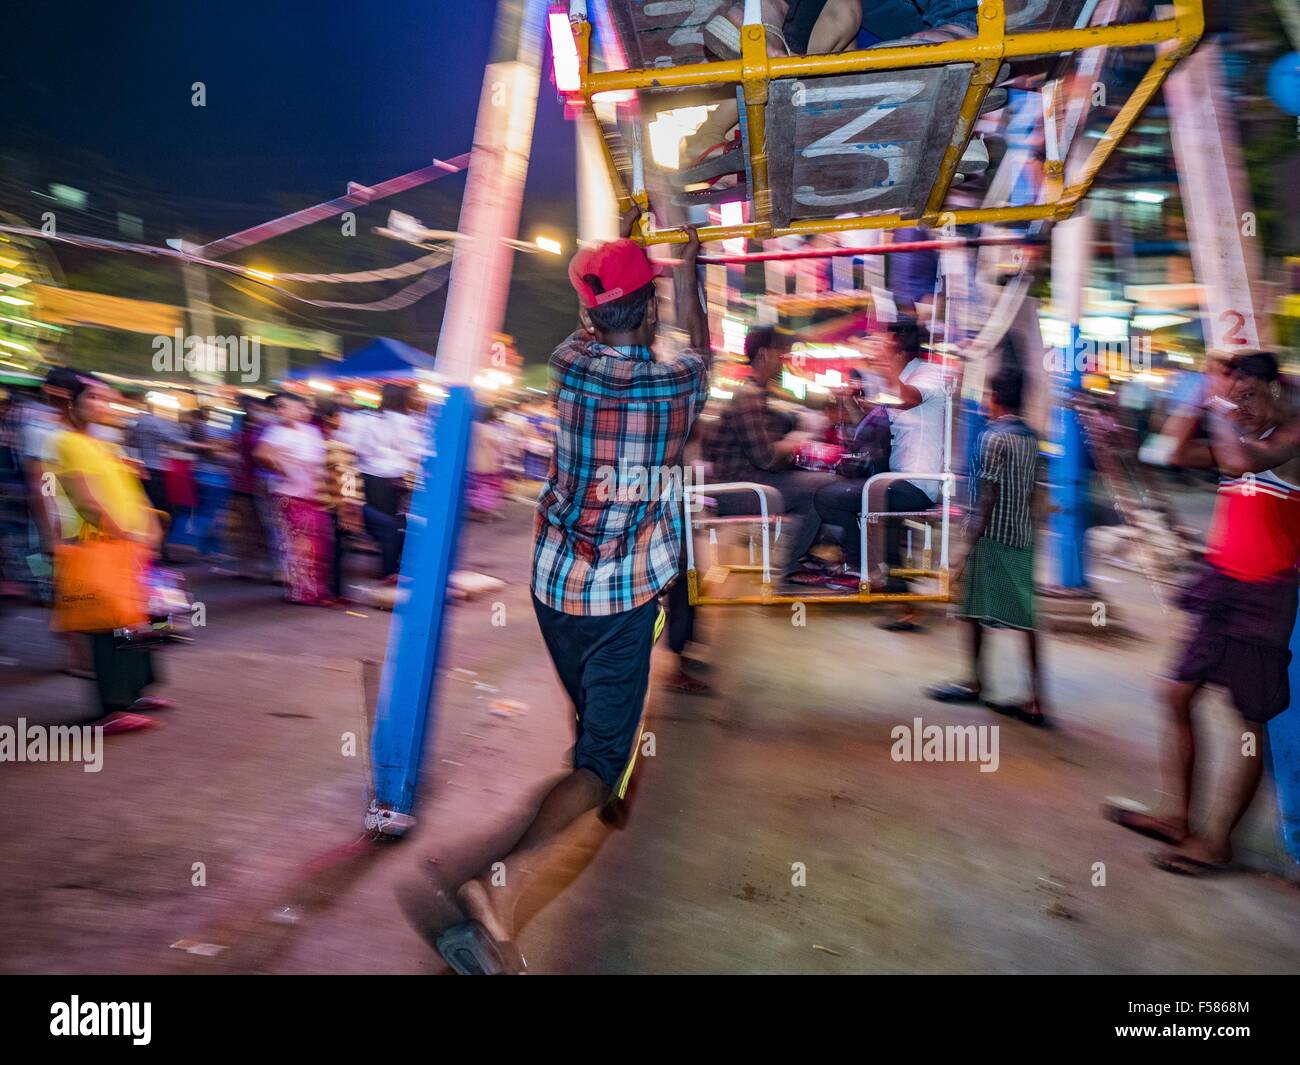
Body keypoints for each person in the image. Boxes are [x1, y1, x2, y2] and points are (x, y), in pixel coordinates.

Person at [428, 211, 710, 975]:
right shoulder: (680, 381)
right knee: (599, 762)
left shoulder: (568, 364)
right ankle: (494, 890)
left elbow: (609, 314)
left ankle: (600, 766)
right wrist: (689, 269)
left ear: (590, 311)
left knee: (596, 723)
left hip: (555, 585)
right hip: (623, 596)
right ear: (648, 307)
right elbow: (696, 342)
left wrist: (638, 270)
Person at [1105, 351, 1300, 875]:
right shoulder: (1240, 433)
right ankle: (1177, 816)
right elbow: (1167, 449)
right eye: (1237, 401)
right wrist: (1201, 393)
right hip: (1221, 585)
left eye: (1251, 398)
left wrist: (1219, 401)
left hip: (1267, 594)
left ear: (1277, 388)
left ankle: (1217, 842)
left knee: (1247, 722)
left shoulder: (1291, 437)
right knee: (1175, 693)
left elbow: (1239, 463)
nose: (1243, 410)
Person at [925, 364, 1047, 725]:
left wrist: (964, 549)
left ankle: (977, 683)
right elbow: (1034, 494)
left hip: (993, 538)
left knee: (974, 610)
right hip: (1022, 537)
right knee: (1020, 618)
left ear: (993, 397)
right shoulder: (1031, 438)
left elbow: (987, 498)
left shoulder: (993, 437)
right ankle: (1035, 698)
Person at [51, 371, 169, 733]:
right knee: (109, 622)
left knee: (143, 617)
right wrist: (124, 534)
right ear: (73, 404)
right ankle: (113, 707)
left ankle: (136, 691)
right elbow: (84, 499)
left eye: (106, 399)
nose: (102, 405)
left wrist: (149, 528)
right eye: (92, 399)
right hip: (102, 543)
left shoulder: (108, 445)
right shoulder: (68, 442)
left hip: (131, 542)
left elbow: (131, 493)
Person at [706, 324, 835, 586]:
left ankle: (795, 562)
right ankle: (789, 566)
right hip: (737, 490)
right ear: (764, 354)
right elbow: (765, 457)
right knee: (822, 486)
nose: (783, 359)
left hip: (750, 482)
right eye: (780, 352)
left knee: (819, 486)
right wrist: (798, 438)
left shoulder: (760, 395)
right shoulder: (748, 397)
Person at [867, 317, 948, 629]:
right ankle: (867, 572)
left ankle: (904, 603)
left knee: (876, 501)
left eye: (888, 344)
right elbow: (879, 418)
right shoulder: (896, 376)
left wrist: (885, 363)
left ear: (899, 348)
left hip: (920, 481)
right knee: (841, 494)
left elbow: (906, 398)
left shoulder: (929, 374)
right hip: (896, 475)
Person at [811, 370, 894, 588]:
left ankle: (859, 564)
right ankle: (854, 560)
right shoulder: (875, 416)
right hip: (874, 476)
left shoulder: (883, 415)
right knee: (823, 490)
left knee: (826, 496)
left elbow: (867, 455)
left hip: (878, 479)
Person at [255, 392, 330, 606]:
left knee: (317, 544)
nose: (287, 411)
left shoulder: (312, 431)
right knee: (299, 544)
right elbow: (261, 455)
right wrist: (281, 470)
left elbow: (320, 464)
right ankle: (301, 592)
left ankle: (315, 590)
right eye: (282, 407)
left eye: (293, 407)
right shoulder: (275, 432)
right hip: (289, 496)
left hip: (313, 495)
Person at [352, 383, 421, 581]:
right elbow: (413, 452)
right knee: (397, 523)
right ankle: (392, 568)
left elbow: (359, 447)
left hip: (370, 477)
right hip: (396, 478)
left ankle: (388, 566)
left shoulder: (367, 418)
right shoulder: (405, 421)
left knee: (382, 524)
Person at [319, 400, 362, 604]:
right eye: (340, 416)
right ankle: (333, 593)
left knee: (335, 549)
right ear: (330, 418)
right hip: (334, 503)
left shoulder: (322, 440)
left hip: (327, 501)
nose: (343, 420)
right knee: (336, 549)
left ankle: (334, 591)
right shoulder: (335, 445)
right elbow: (346, 476)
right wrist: (351, 503)